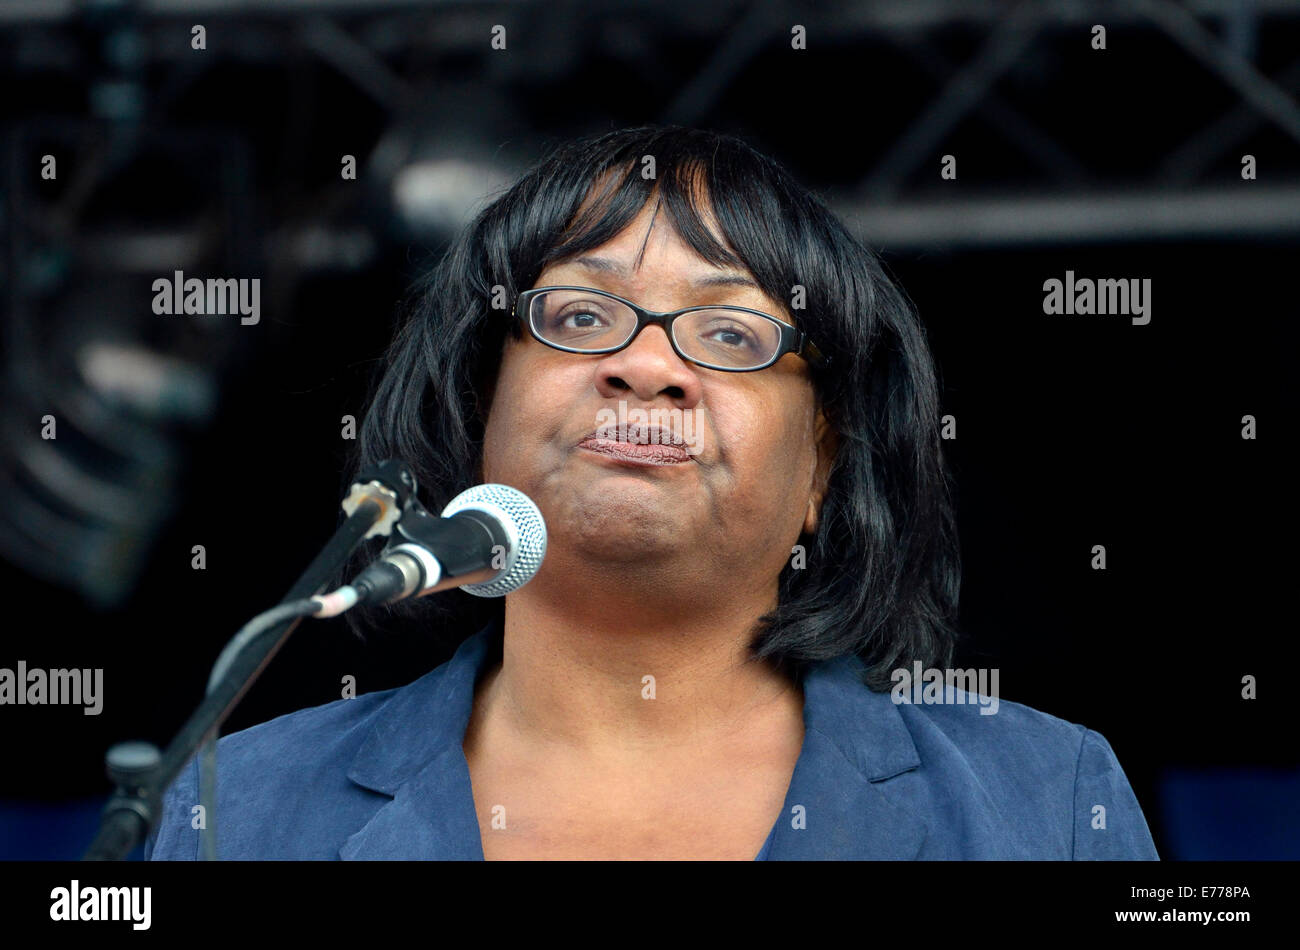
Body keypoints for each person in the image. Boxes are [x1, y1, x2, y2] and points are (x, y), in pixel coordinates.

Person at [146, 124, 1158, 860]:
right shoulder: (238, 808)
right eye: (581, 315)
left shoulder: (1045, 801)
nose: (644, 365)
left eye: (728, 333)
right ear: (481, 410)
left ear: (823, 468)